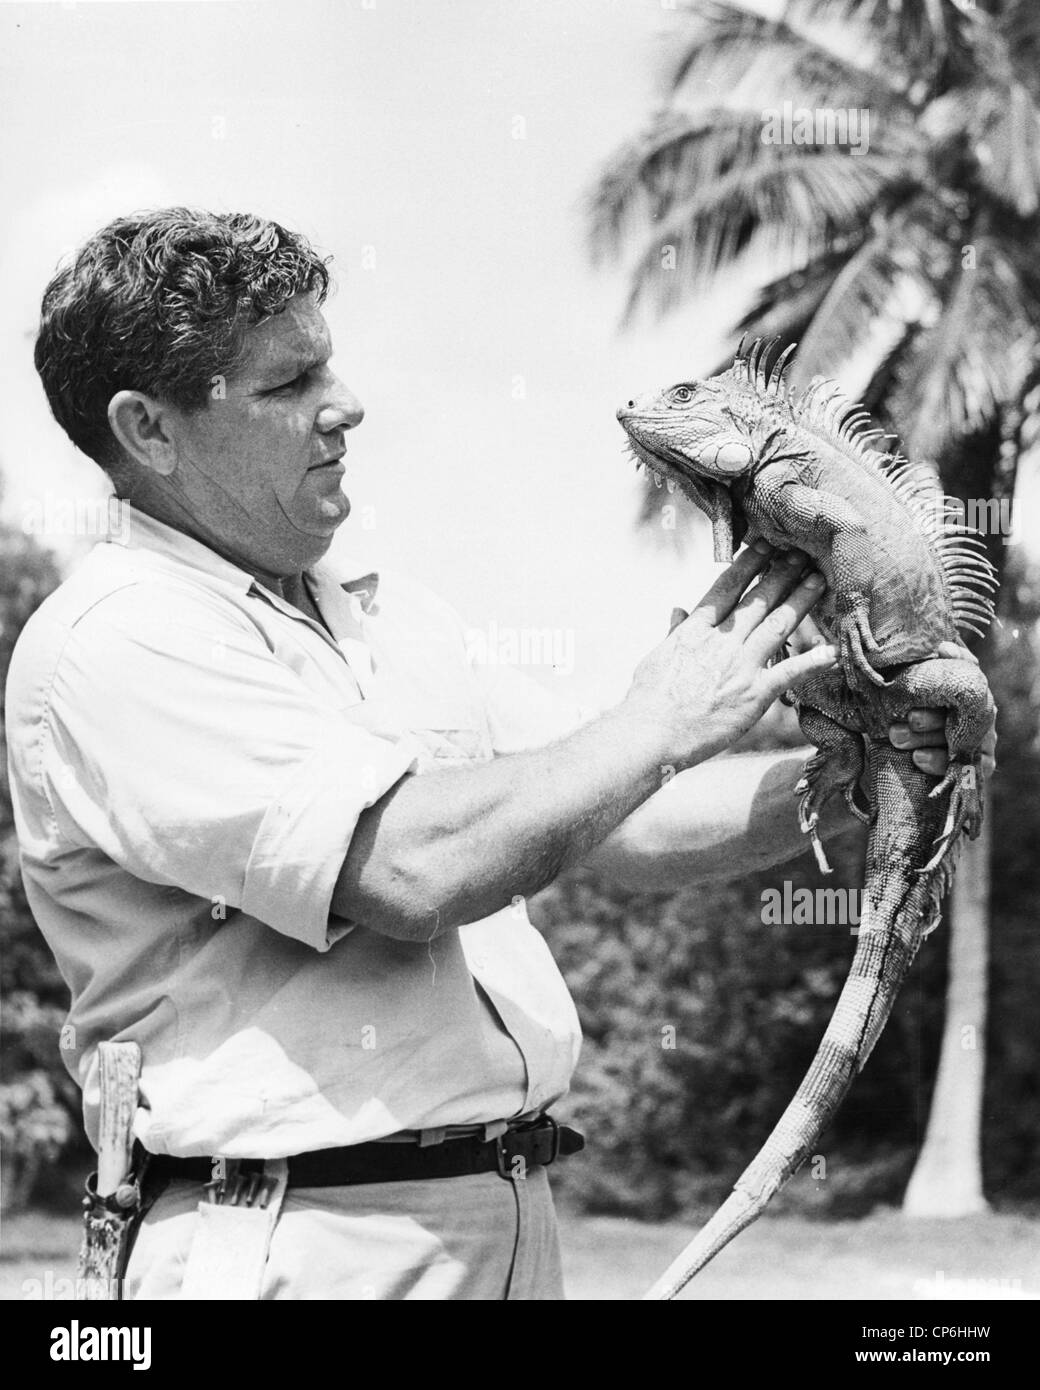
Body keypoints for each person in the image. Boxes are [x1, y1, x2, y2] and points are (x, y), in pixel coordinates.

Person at [7, 208, 988, 1300]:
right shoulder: (118, 639)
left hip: (508, 1208)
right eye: (288, 385)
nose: (346, 404)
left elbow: (616, 811)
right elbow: (409, 869)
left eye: (327, 362)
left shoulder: (389, 619)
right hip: (301, 1237)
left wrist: (858, 780)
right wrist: (656, 713)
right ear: (150, 430)